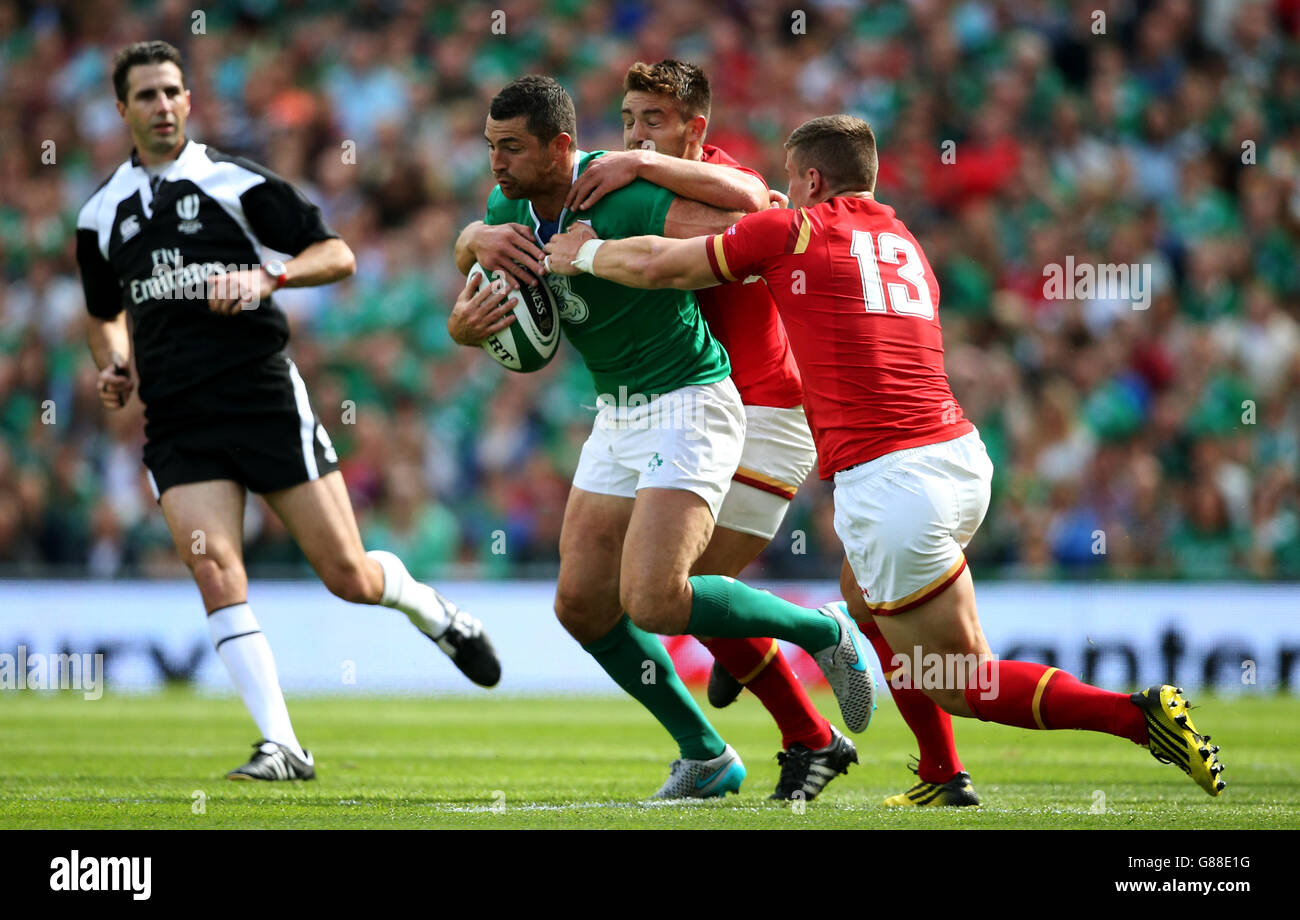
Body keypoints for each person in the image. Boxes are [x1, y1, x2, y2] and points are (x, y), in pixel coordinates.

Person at [542, 114, 1226, 799]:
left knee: (964, 682)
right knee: (860, 596)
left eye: (791, 180)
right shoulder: (903, 240)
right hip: (959, 457)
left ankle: (1137, 717)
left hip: (891, 482)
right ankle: (940, 774)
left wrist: (586, 254)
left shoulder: (793, 231)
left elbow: (659, 265)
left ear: (812, 179)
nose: (784, 192)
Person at [75, 40, 501, 782]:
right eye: (146, 95)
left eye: (172, 91)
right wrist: (112, 362)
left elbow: (336, 254)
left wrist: (267, 276)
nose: (163, 105)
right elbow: (102, 312)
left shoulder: (233, 180)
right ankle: (284, 746)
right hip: (176, 419)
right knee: (215, 570)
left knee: (349, 575)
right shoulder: (100, 215)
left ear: (188, 100)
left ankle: (432, 610)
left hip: (261, 399)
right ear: (121, 109)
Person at [450, 76, 873, 798]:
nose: (496, 162)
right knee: (586, 605)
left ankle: (822, 638)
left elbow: (759, 208)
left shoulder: (634, 190)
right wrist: (469, 271)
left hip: (716, 403)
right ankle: (713, 754)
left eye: (511, 148)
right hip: (620, 412)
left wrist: (631, 183)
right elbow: (480, 267)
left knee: (662, 596)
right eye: (491, 146)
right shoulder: (511, 207)